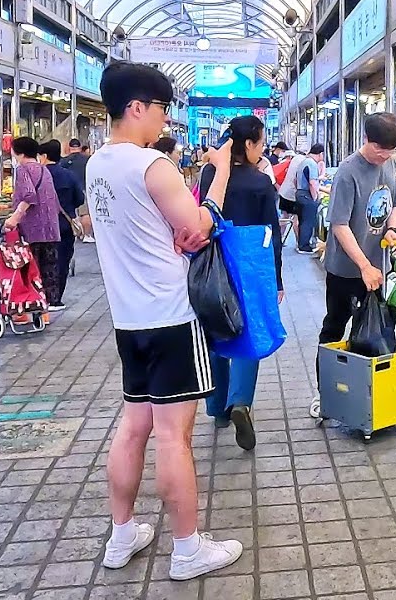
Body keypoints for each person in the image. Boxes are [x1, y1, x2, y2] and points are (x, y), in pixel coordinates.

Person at [88, 61, 242, 579]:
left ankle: (122, 534)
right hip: (173, 316)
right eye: (161, 110)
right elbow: (198, 223)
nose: (164, 121)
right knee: (174, 435)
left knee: (134, 426)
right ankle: (187, 549)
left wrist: (181, 227)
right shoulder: (151, 165)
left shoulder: (98, 165)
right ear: (136, 107)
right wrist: (217, 176)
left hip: (128, 319)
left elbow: (166, 228)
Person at [197, 115, 283, 450]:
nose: (261, 150)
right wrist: (276, 279)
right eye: (260, 143)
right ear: (248, 144)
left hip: (216, 260)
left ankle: (217, 409)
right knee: (249, 332)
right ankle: (240, 402)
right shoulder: (260, 182)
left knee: (218, 329)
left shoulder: (209, 173)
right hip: (251, 264)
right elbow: (272, 234)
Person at [320, 114, 396, 344]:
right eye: (379, 148)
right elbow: (339, 225)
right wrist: (364, 266)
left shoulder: (388, 163)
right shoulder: (348, 172)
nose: (384, 155)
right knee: (335, 326)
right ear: (366, 138)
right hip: (345, 270)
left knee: (371, 331)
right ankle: (328, 379)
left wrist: (392, 230)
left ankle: (364, 379)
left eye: (391, 150)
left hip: (377, 269)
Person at [5, 136, 63, 310]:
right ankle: (50, 300)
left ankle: (34, 301)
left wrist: (14, 217)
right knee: (49, 265)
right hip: (50, 228)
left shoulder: (23, 169)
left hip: (32, 228)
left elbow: (29, 195)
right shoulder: (44, 169)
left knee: (32, 267)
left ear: (18, 152)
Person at [39, 140, 88, 310]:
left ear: (44, 156)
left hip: (42, 228)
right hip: (64, 225)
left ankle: (40, 296)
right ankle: (56, 298)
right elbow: (79, 199)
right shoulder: (68, 175)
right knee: (62, 261)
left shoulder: (37, 175)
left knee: (42, 262)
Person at [278, 144, 324, 255]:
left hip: (298, 194)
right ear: (320, 154)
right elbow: (313, 183)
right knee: (307, 221)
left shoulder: (303, 162)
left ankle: (299, 244)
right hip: (306, 195)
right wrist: (315, 197)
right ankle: (304, 246)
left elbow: (295, 180)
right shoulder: (312, 164)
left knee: (301, 220)